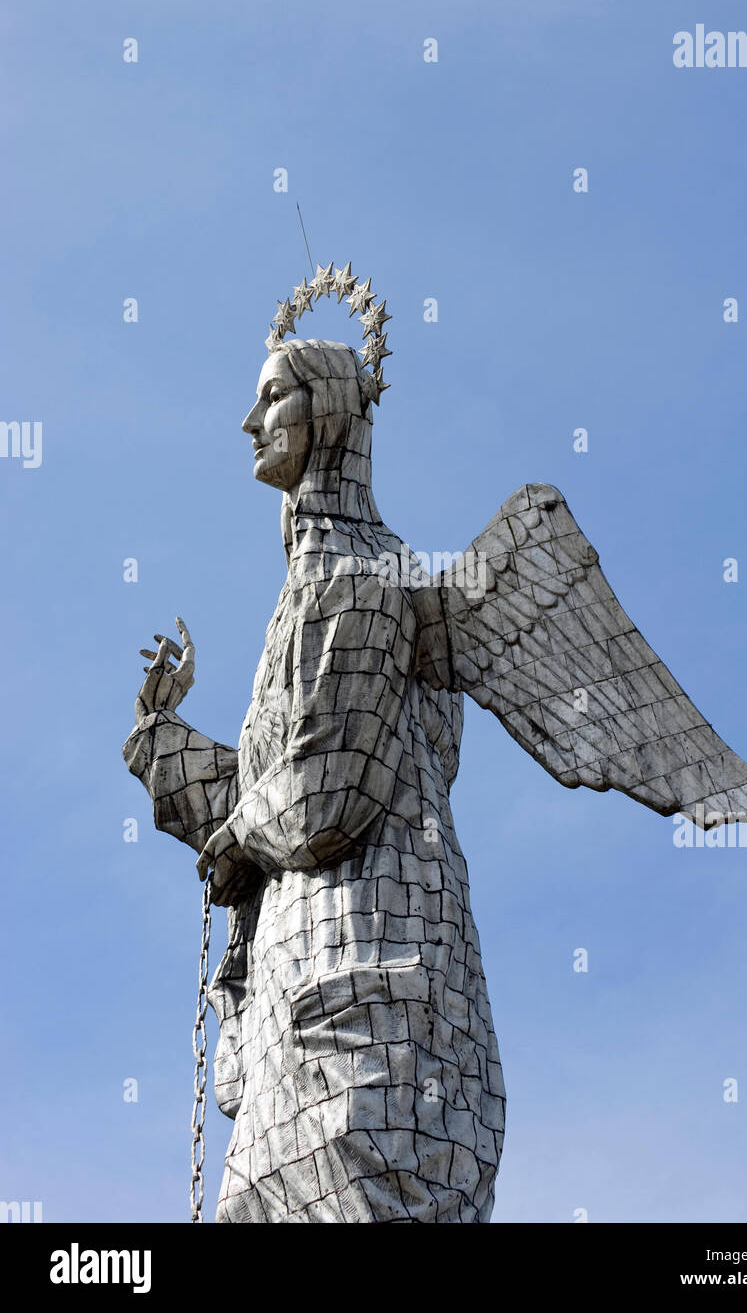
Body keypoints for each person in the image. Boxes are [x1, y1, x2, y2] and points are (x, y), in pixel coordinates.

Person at [123, 339, 505, 1223]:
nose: (251, 423)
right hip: (307, 957)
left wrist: (237, 831)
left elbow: (330, 794)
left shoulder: (366, 573)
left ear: (328, 410)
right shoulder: (311, 582)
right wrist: (161, 740)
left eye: (273, 398)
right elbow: (273, 786)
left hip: (368, 953)